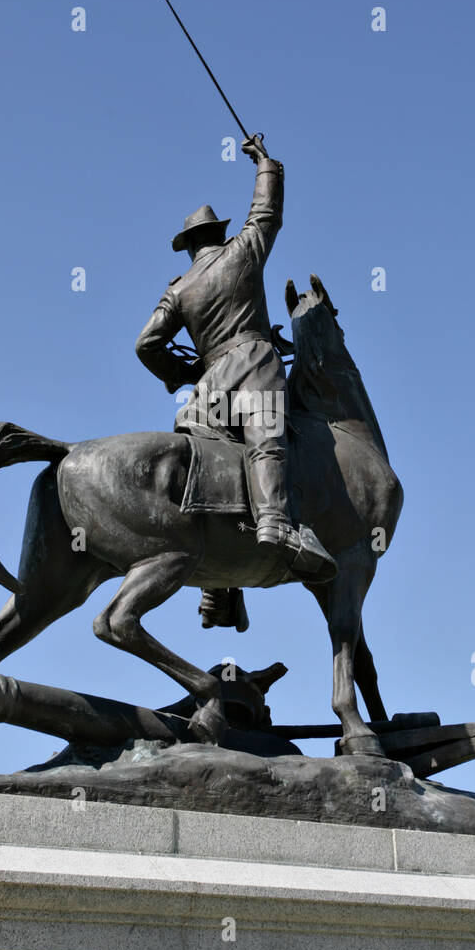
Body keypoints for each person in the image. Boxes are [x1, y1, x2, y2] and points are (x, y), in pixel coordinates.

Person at [135, 135, 336, 624]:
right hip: (251, 364)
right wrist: (267, 164)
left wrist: (182, 372)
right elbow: (267, 213)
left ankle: (217, 590)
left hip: (207, 391)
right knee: (268, 443)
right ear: (218, 234)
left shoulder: (180, 289)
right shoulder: (241, 252)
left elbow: (146, 345)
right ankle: (277, 526)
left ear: (188, 248)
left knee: (221, 470)